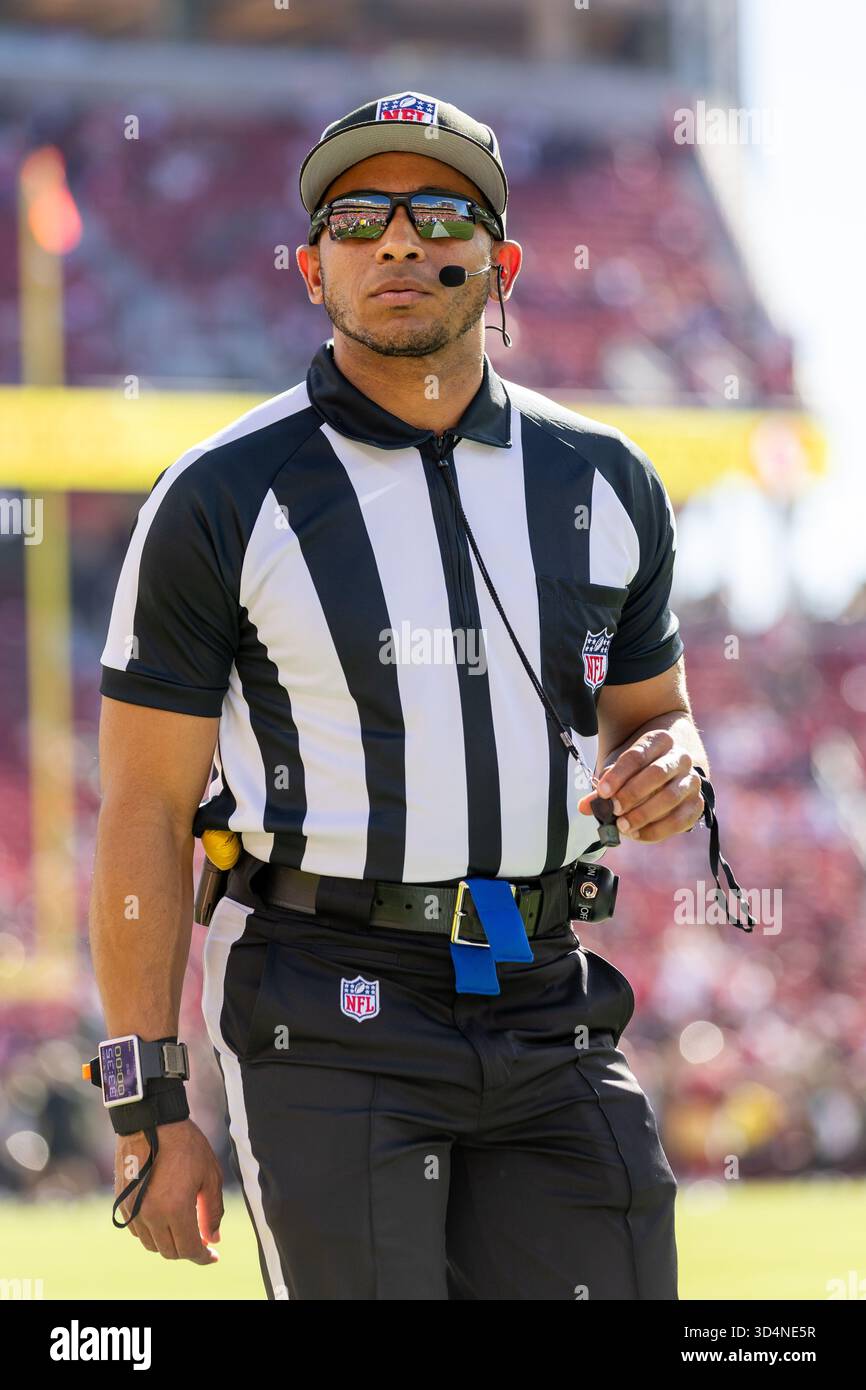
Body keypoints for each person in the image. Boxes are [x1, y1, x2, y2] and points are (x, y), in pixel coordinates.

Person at [90, 91, 710, 1300]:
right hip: (323, 1002)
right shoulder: (222, 494)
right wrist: (149, 1099)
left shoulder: (607, 479)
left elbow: (654, 716)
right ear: (313, 263)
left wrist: (675, 761)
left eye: (440, 210)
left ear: (500, 261)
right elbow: (142, 815)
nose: (399, 241)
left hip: (543, 985)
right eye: (359, 214)